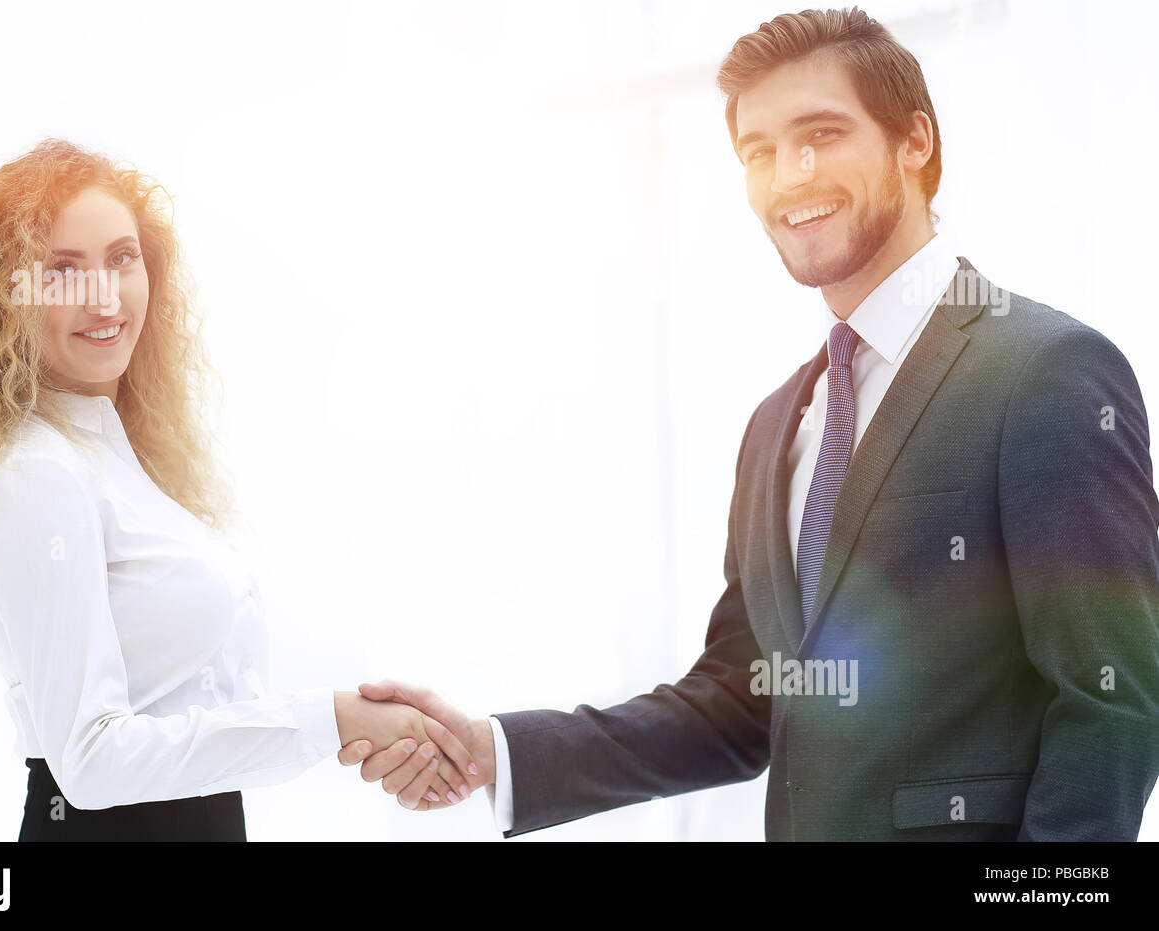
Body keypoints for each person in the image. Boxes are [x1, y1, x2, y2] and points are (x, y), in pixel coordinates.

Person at [342, 6, 1159, 838]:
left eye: (821, 133)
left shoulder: (1046, 370)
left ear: (917, 141)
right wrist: (493, 749)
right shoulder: (777, 426)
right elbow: (742, 700)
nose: (789, 174)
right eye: (758, 152)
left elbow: (1116, 696)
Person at [0, 138, 476, 841]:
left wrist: (367, 720)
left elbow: (188, 696)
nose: (106, 294)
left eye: (122, 258)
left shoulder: (104, 455)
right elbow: (90, 763)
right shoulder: (40, 476)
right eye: (61, 270)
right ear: (4, 297)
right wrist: (333, 719)